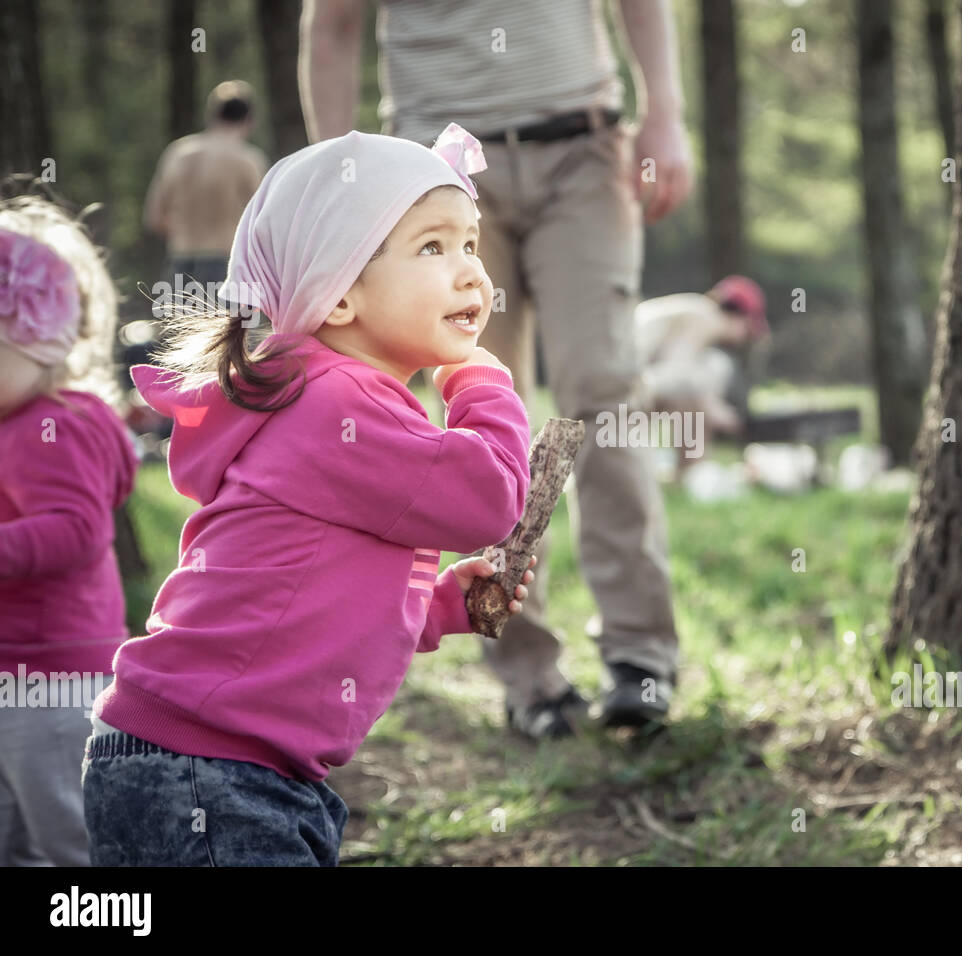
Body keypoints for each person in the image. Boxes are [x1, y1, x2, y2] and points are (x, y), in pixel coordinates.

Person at [81, 127, 539, 866]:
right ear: (340, 295)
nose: (469, 275)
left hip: (209, 764)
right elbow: (488, 498)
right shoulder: (336, 403)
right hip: (215, 776)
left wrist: (438, 606)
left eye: (470, 245)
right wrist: (482, 385)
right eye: (432, 248)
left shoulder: (314, 394)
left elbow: (306, 586)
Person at [301, 0, 694, 738]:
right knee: (479, 407)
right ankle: (527, 673)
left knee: (601, 392)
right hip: (432, 171)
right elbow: (332, 23)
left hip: (583, 149)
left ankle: (641, 657)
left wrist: (665, 113)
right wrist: (339, 175)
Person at [0, 195, 139, 865]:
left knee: (68, 835)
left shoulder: (54, 426)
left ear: (37, 340)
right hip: (17, 674)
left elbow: (76, 529)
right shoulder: (16, 421)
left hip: (55, 680)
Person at [143, 80, 268, 293]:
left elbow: (153, 218)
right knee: (230, 327)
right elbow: (264, 223)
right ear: (249, 120)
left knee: (181, 327)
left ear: (211, 116)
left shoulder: (177, 153)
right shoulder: (248, 160)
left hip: (180, 263)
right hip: (227, 267)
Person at [635, 275, 770, 469]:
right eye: (747, 330)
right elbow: (676, 369)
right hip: (620, 385)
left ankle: (687, 472)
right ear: (739, 317)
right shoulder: (708, 316)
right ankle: (691, 473)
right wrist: (712, 407)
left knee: (707, 371)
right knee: (704, 378)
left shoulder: (695, 310)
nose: (743, 339)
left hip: (623, 381)